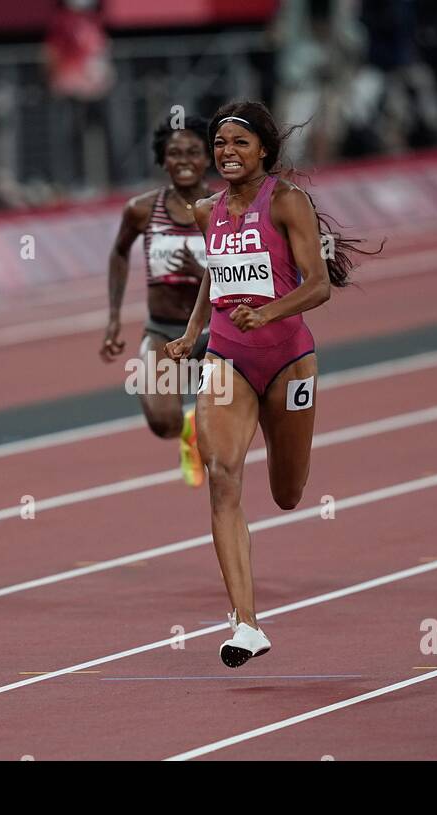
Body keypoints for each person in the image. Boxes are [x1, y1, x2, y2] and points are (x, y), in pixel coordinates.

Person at [165, 101, 376, 666]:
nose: (227, 153)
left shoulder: (286, 202)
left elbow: (317, 287)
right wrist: (192, 335)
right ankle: (246, 626)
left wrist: (270, 312)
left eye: (239, 143)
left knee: (287, 492)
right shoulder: (208, 210)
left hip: (288, 363)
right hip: (228, 359)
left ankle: (263, 455)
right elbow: (216, 274)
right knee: (222, 475)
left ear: (263, 150)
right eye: (220, 144)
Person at [101, 115, 212, 486]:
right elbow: (118, 253)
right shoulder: (142, 210)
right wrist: (114, 318)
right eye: (174, 153)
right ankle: (187, 434)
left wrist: (202, 273)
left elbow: (245, 269)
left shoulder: (225, 209)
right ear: (162, 160)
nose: (183, 160)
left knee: (239, 415)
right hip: (164, 330)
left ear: (207, 158)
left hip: (216, 332)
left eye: (193, 152)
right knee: (163, 421)